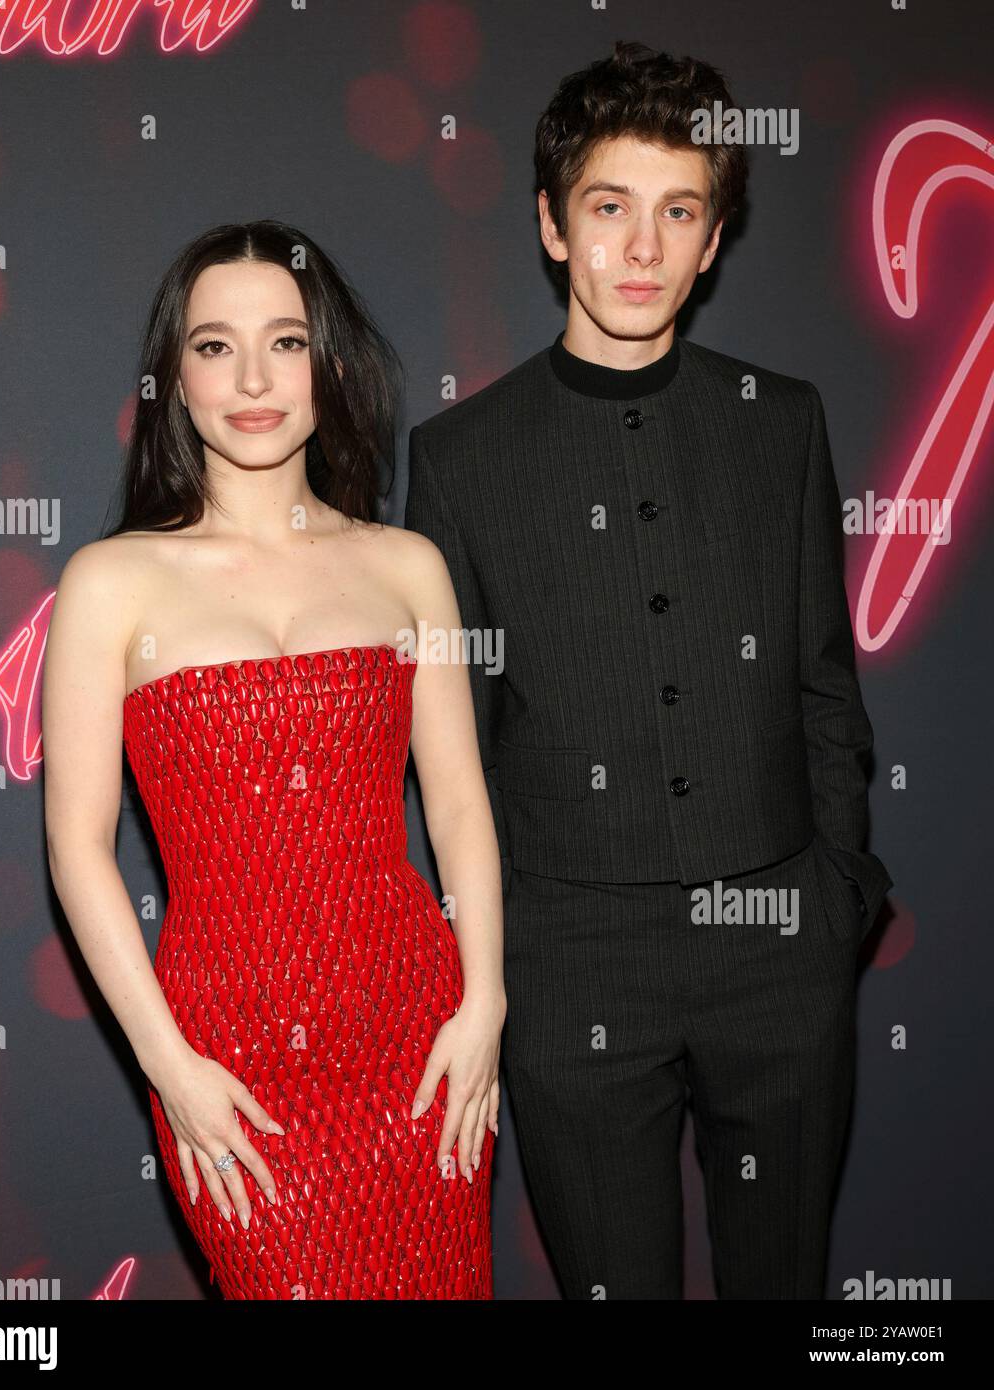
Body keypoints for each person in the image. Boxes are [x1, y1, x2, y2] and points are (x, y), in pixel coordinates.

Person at [405, 41, 893, 1299]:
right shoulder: (458, 457)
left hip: (780, 945)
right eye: (608, 208)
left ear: (714, 235)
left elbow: (824, 685)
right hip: (572, 964)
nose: (640, 247)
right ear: (552, 226)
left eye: (677, 212)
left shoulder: (779, 421)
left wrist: (833, 902)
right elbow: (456, 742)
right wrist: (500, 961)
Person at [42, 220, 504, 1299]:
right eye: (213, 346)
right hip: (223, 1061)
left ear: (326, 363)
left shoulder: (406, 567)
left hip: (416, 1040)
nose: (251, 377)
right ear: (174, 379)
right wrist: (168, 1066)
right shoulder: (111, 583)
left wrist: (482, 1005)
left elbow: (459, 808)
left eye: (284, 342)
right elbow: (75, 847)